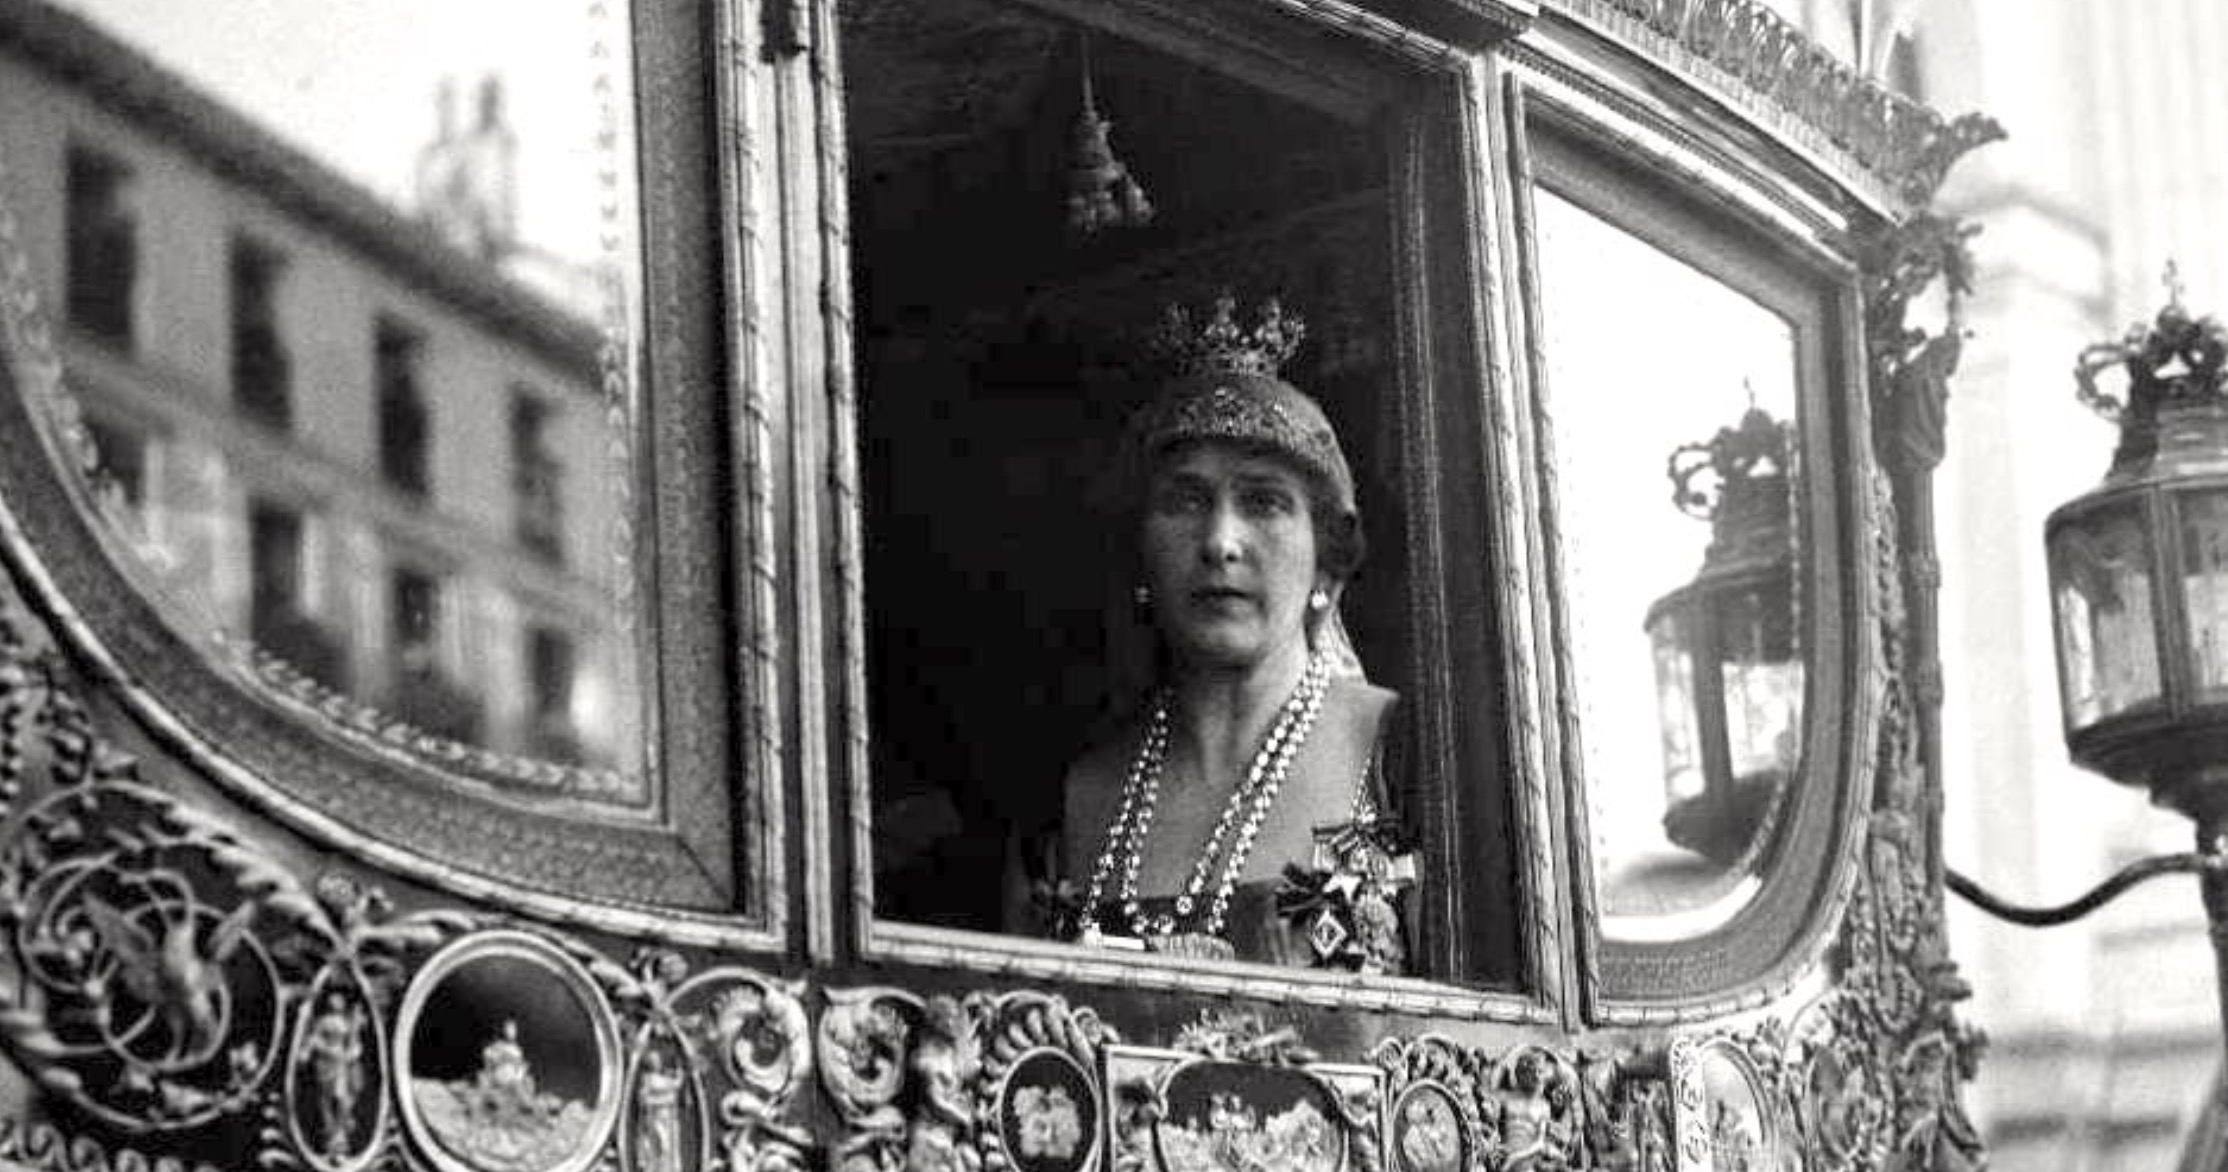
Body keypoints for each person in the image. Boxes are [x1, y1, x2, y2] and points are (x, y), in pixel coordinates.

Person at [1056, 294, 1402, 967]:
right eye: (1185, 501)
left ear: (1327, 559)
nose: (1220, 542)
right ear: (1140, 554)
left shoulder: (1406, 759)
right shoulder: (1069, 799)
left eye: (1264, 502)